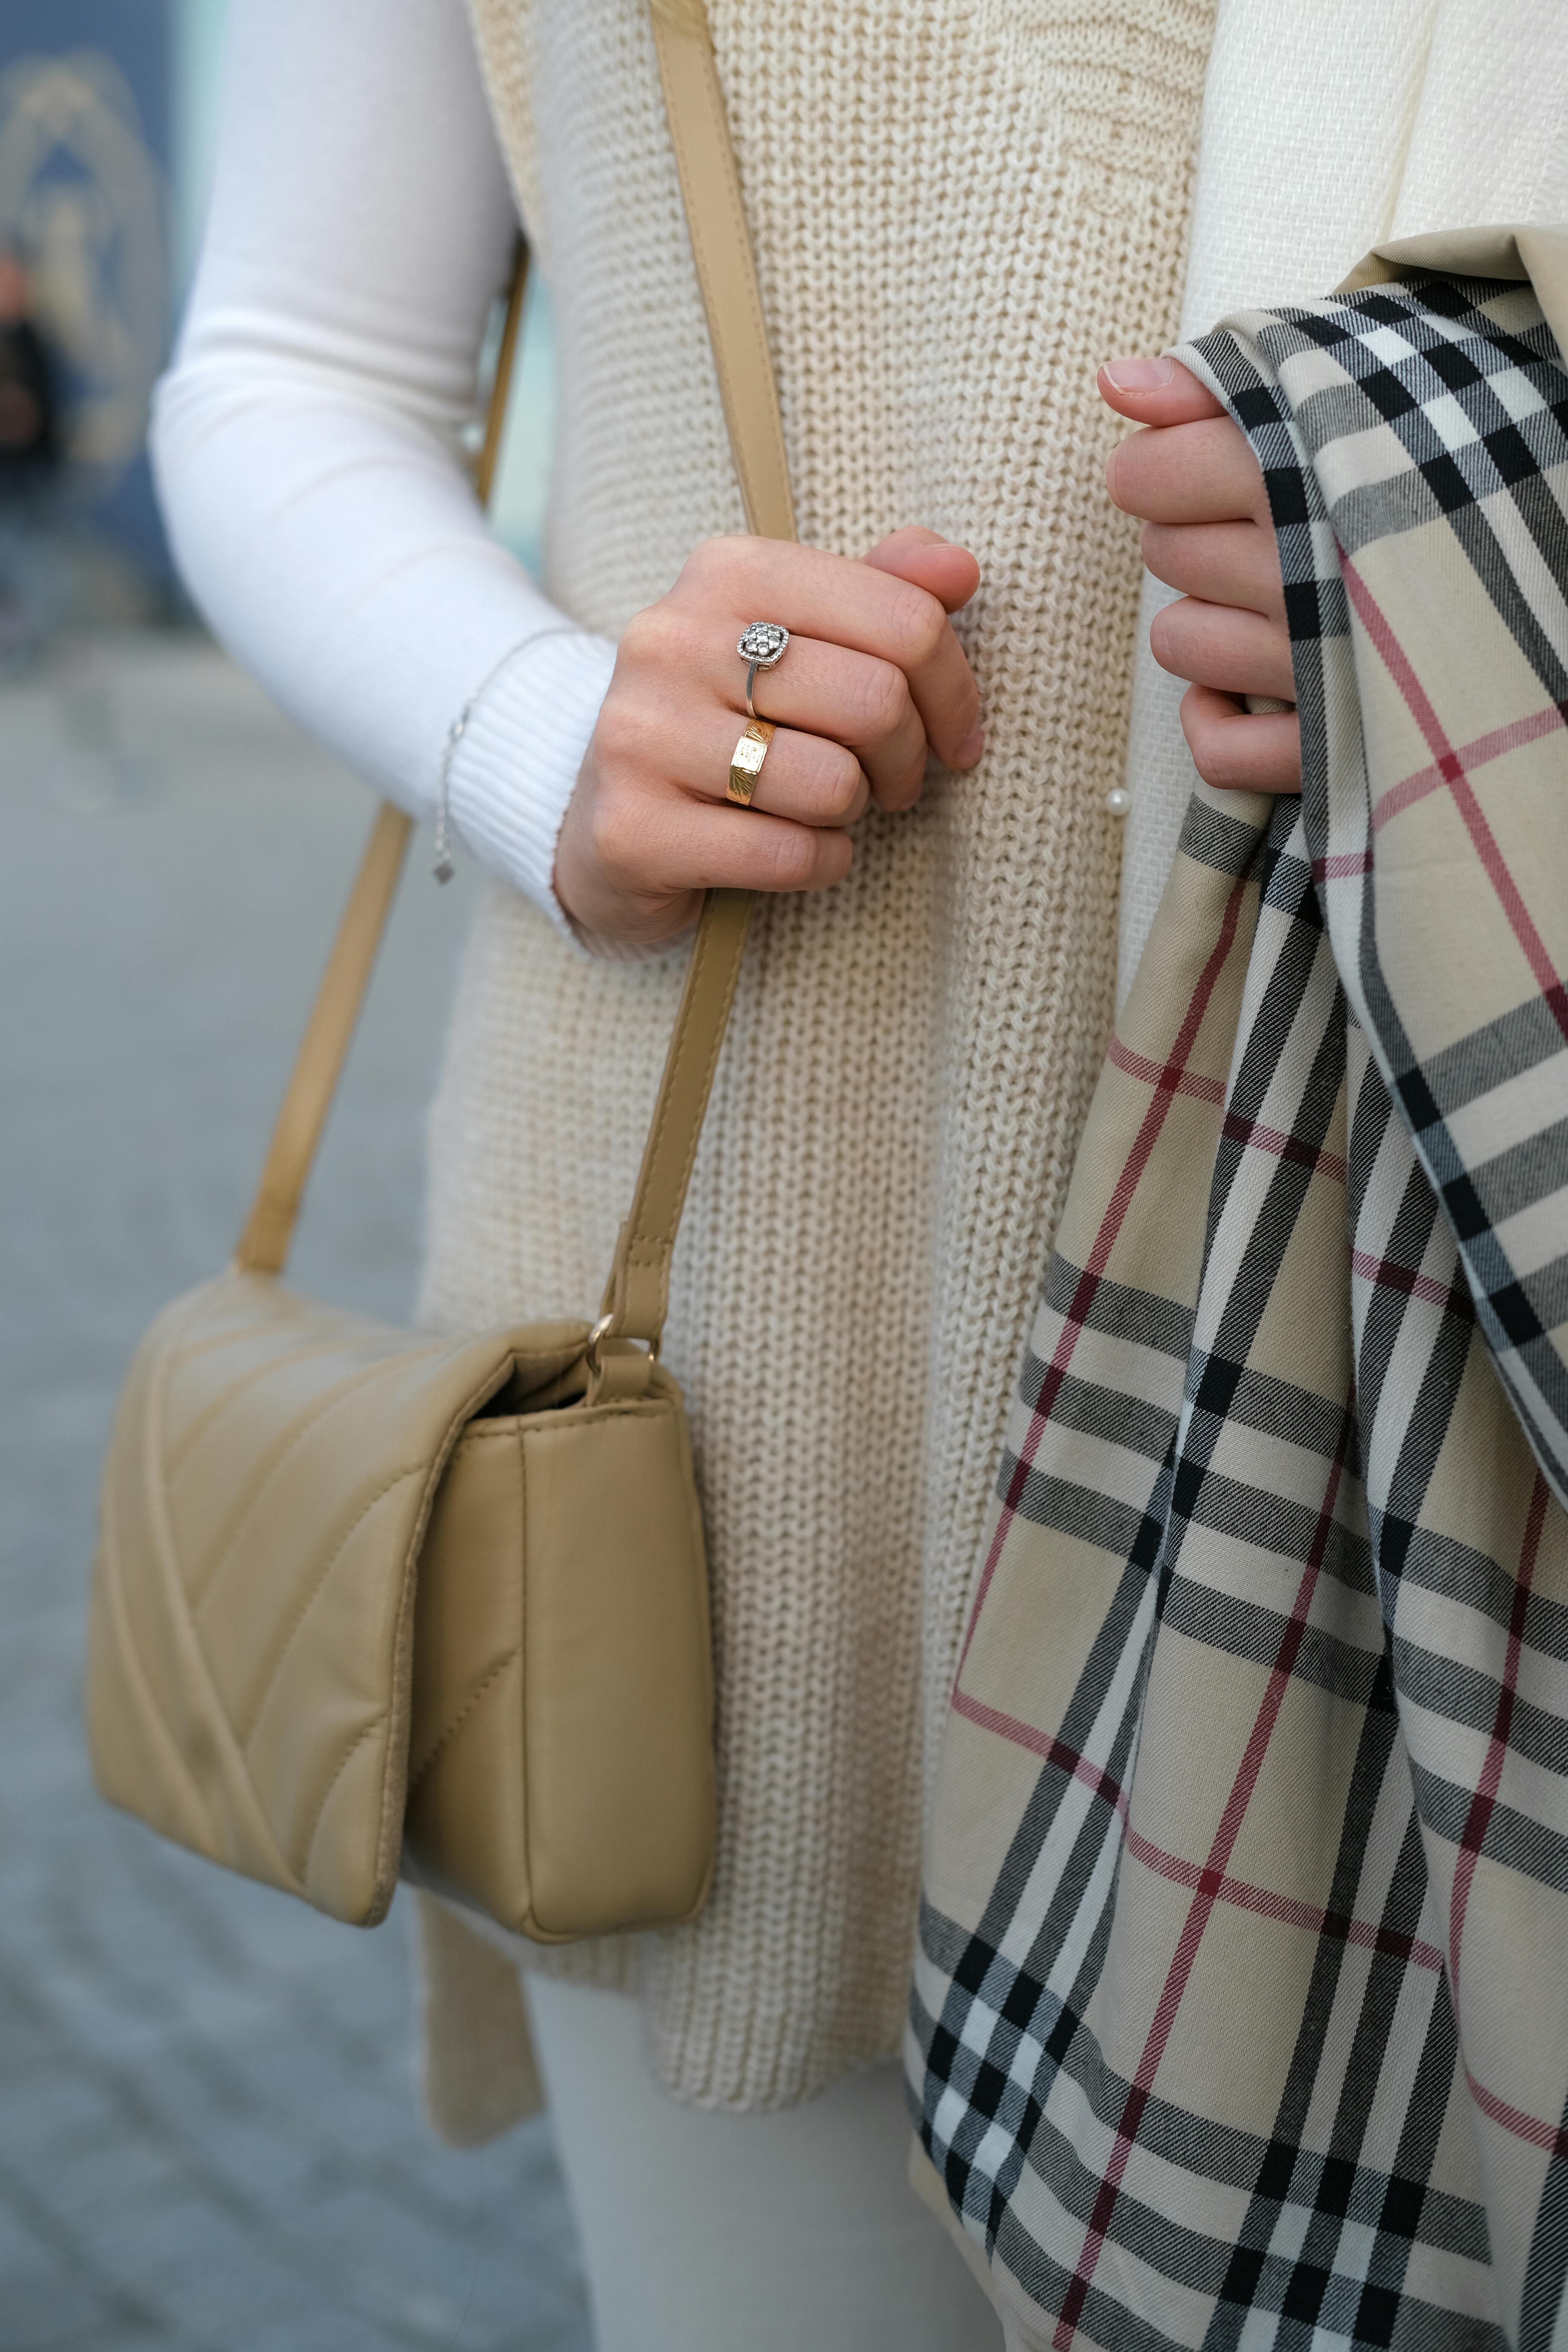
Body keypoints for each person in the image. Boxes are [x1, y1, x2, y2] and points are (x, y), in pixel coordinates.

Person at [150, 0, 1559, 2343]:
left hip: (1432, 1225)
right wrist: (541, 734)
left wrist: (1461, 580)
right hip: (749, 1312)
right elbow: (293, 351)